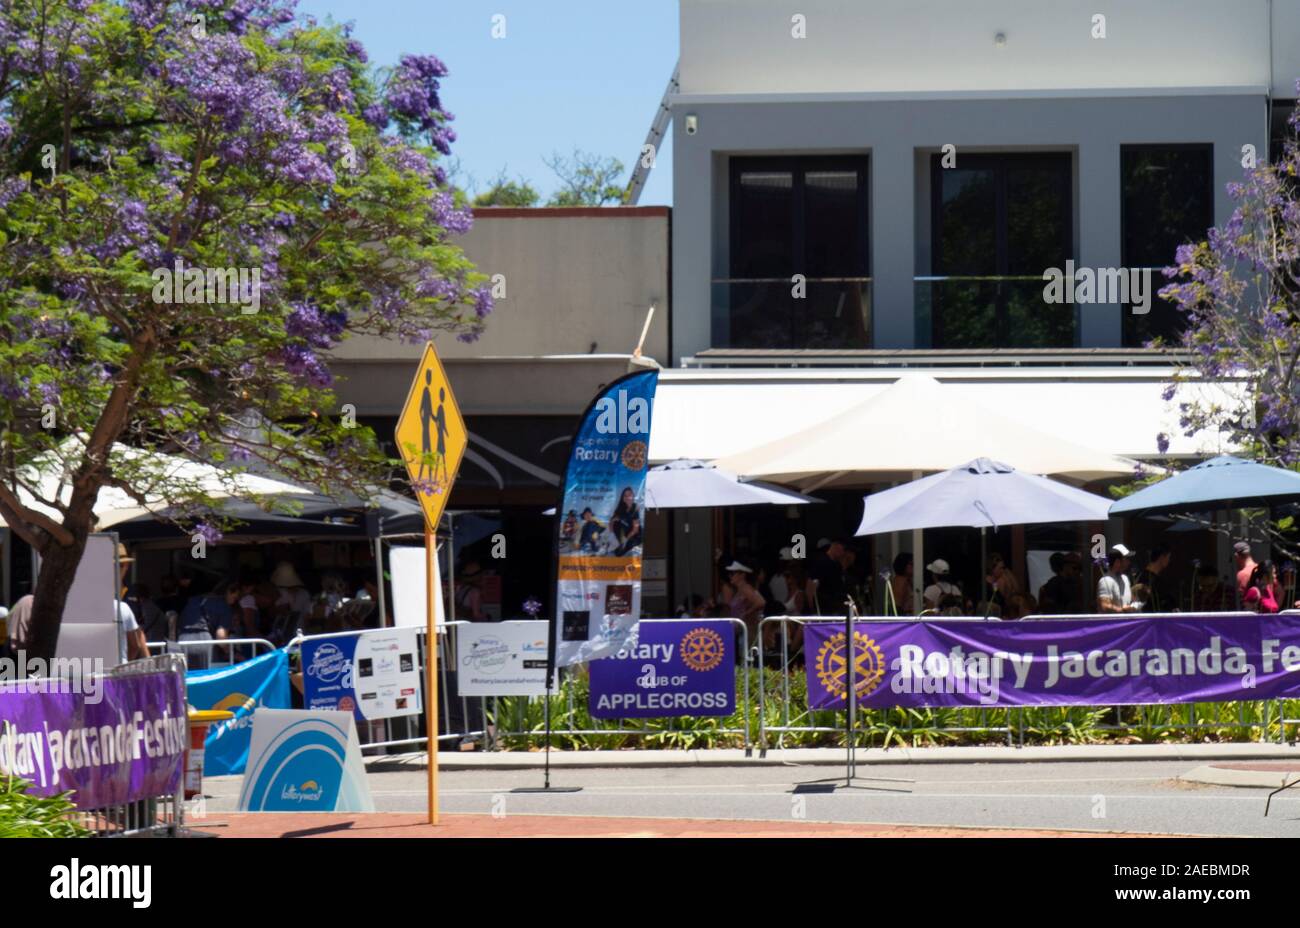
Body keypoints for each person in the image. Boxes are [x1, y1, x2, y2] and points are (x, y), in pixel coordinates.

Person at [114, 545, 147, 661]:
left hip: (125, 658)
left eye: (123, 565)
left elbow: (138, 630)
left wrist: (148, 660)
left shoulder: (133, 593)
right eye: (119, 565)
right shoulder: (100, 592)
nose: (124, 568)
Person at [725, 561, 766, 642]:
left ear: (742, 575)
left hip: (748, 632)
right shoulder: (741, 589)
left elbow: (761, 602)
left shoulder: (745, 588)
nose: (730, 576)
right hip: (743, 631)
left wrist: (746, 613)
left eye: (733, 573)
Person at [805, 539, 848, 615]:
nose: (843, 552)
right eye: (843, 549)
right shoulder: (821, 562)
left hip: (836, 606)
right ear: (835, 546)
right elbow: (810, 585)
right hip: (823, 606)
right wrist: (812, 607)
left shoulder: (838, 565)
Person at [1097, 544, 1139, 614]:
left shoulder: (1125, 578)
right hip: (1113, 624)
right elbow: (1103, 605)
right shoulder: (1106, 580)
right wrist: (1122, 610)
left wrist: (1135, 605)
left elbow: (1131, 600)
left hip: (1126, 622)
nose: (1129, 562)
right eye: (1126, 559)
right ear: (1117, 562)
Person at [1137, 544, 1175, 613]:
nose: (1169, 561)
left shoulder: (1159, 579)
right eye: (1168, 557)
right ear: (1162, 557)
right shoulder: (1145, 578)